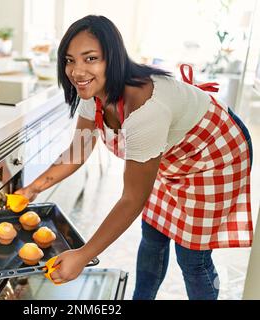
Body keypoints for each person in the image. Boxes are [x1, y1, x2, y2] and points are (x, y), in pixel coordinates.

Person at [14, 15, 253, 300]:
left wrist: (83, 255)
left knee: (191, 257)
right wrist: (33, 188)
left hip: (215, 155)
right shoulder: (92, 91)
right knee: (152, 236)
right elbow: (78, 151)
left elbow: (131, 199)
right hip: (172, 157)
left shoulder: (145, 110)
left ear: (113, 58)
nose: (77, 71)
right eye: (69, 60)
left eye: (90, 59)